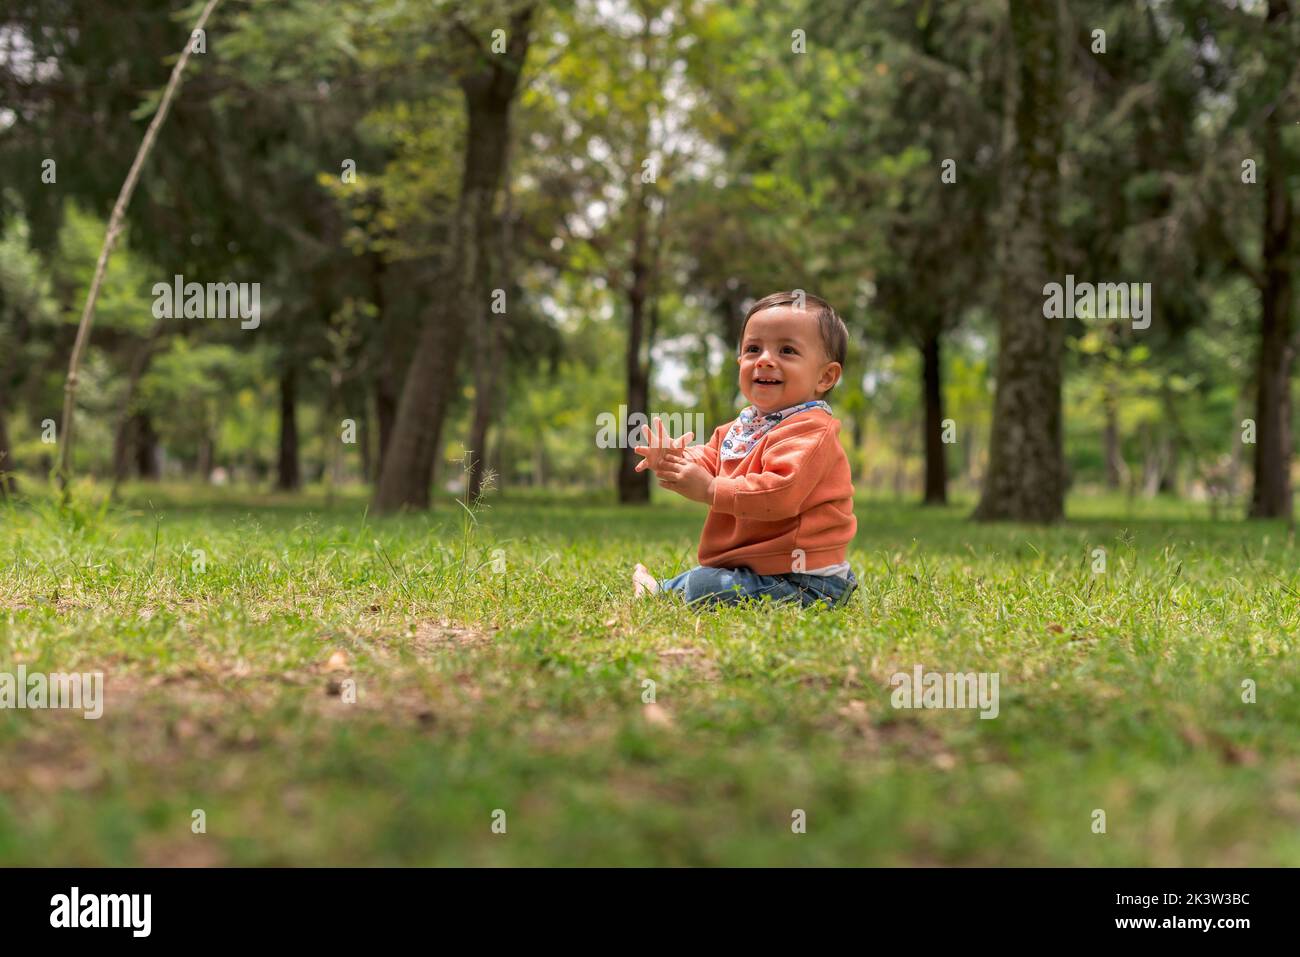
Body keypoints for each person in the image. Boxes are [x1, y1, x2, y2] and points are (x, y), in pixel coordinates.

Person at [632, 291, 858, 608]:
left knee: (706, 585)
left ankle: (669, 590)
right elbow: (711, 458)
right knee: (708, 577)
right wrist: (674, 458)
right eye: (753, 349)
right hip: (761, 568)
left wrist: (711, 488)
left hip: (806, 582)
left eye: (787, 350)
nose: (764, 359)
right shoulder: (741, 428)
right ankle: (665, 589)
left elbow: (780, 493)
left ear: (825, 376)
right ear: (740, 362)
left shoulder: (810, 431)